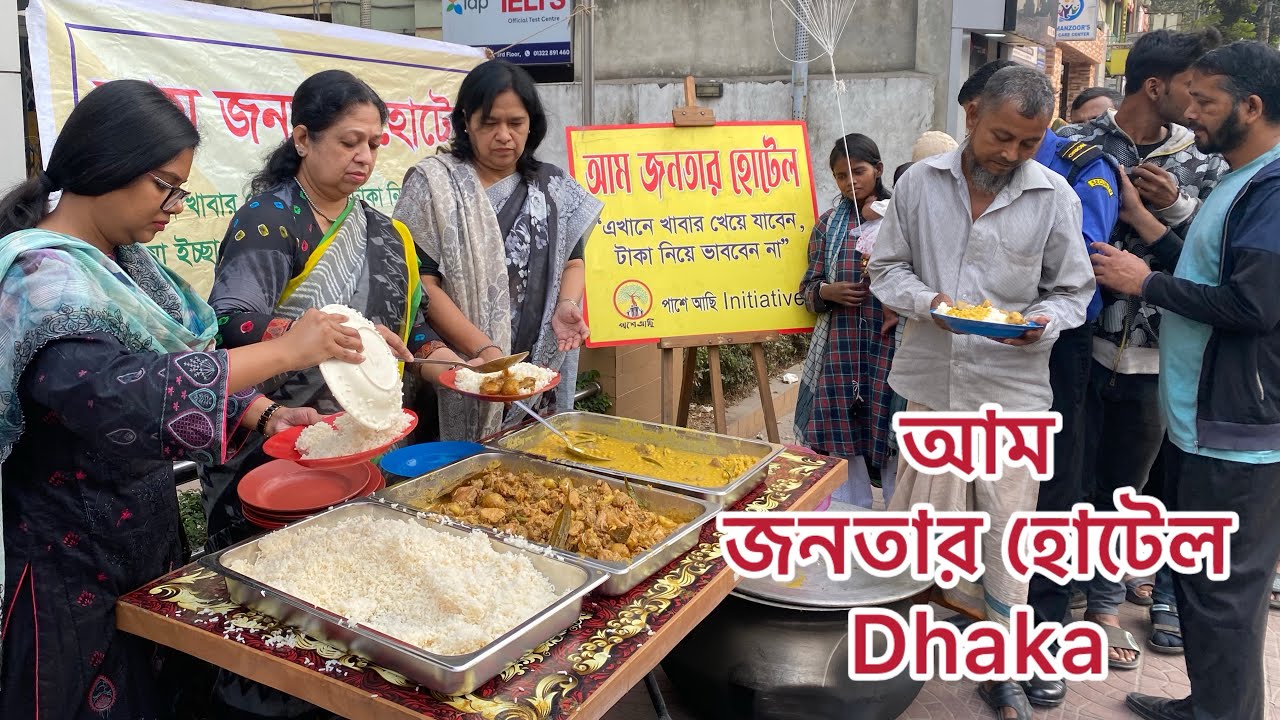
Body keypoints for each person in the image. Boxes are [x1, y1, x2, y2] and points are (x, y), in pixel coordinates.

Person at [0, 80, 358, 719]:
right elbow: (125, 397)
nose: (174, 207)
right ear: (104, 166)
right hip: (67, 562)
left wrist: (267, 412)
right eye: (164, 185)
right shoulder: (41, 279)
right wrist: (287, 351)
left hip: (147, 539)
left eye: (181, 190)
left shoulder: (128, 266)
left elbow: (174, 362)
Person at [868, 65, 1095, 720]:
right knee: (921, 525)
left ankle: (1004, 667)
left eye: (1029, 142)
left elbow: (1073, 291)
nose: (1012, 154)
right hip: (932, 388)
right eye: (1002, 137)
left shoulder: (1054, 196)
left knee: (1006, 533)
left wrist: (1041, 322)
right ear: (972, 116)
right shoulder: (919, 187)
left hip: (1011, 395)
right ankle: (903, 641)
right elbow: (887, 269)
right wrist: (929, 303)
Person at [1090, 41, 1280, 720]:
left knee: (1223, 594)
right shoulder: (1242, 177)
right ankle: (1209, 706)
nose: (1189, 112)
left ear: (1249, 106)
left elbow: (1254, 306)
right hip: (1203, 423)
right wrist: (1147, 228)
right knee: (1204, 585)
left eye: (1204, 100)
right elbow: (1211, 277)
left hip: (1238, 432)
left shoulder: (1272, 189)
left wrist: (1146, 283)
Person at [203, 70, 464, 553]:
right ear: (303, 139)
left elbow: (408, 330)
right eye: (349, 142)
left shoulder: (387, 234)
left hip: (368, 442)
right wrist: (325, 336)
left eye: (374, 144)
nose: (364, 156)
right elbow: (227, 322)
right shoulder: (270, 220)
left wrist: (457, 370)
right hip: (283, 443)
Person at [1058, 27, 1226, 659]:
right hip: (1074, 344)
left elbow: (1218, 261)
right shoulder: (1073, 144)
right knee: (1067, 476)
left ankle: (1104, 607)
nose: (1198, 100)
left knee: (1127, 488)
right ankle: (1061, 597)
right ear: (1155, 86)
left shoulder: (1204, 162)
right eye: (1191, 86)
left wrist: (1173, 207)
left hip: (1160, 354)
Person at [394, 59, 603, 441]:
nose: (504, 135)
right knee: (455, 471)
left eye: (515, 123)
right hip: (457, 364)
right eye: (489, 123)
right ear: (466, 122)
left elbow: (573, 261)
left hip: (532, 372)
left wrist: (566, 305)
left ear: (531, 124)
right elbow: (421, 285)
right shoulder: (435, 185)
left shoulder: (553, 188)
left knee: (528, 470)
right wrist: (486, 350)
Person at [794, 134, 897, 509]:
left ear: (878, 170)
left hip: (891, 346)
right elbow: (807, 291)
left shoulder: (902, 217)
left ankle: (904, 522)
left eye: (859, 171)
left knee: (895, 436)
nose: (850, 181)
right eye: (841, 176)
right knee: (842, 439)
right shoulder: (827, 226)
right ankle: (850, 519)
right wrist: (828, 292)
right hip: (840, 348)